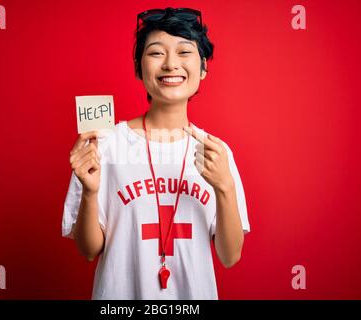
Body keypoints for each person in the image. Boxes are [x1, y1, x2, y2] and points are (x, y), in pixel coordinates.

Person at [62, 7, 250, 299]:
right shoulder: (105, 143)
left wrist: (224, 188)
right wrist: (89, 192)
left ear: (203, 67)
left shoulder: (216, 152)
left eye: (184, 52)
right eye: (156, 53)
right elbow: (88, 251)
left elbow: (230, 256)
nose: (171, 64)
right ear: (138, 68)